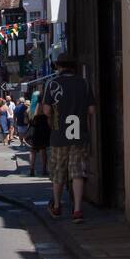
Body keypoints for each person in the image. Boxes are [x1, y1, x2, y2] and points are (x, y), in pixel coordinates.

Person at [42, 56, 95, 221]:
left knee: (58, 172)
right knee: (77, 172)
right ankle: (78, 209)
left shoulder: (52, 84)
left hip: (59, 135)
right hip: (79, 134)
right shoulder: (84, 83)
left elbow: (46, 111)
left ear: (58, 67)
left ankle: (57, 206)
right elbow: (92, 110)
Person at [27, 102, 50, 178]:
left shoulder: (30, 108)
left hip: (33, 130)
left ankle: (32, 170)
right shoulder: (44, 106)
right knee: (43, 150)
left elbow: (25, 121)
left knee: (32, 151)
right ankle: (44, 170)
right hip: (43, 130)